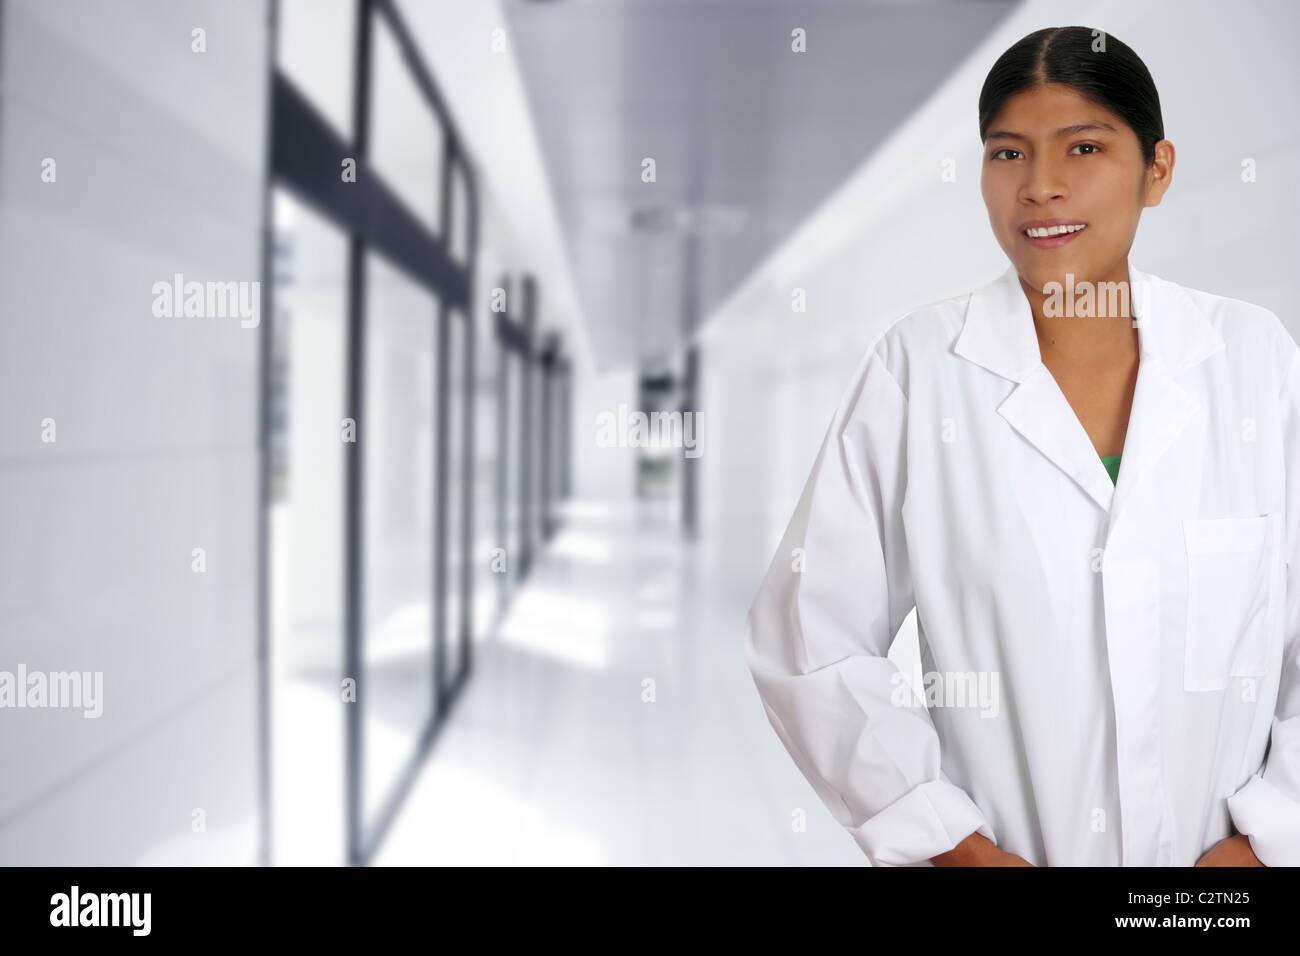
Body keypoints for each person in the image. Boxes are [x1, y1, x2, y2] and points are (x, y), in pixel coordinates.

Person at [743, 25, 1300, 866]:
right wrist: (948, 843)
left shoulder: (1255, 360)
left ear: (1158, 170)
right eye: (1007, 154)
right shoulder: (918, 369)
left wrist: (1271, 835)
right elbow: (808, 637)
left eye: (1083, 147)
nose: (1040, 187)